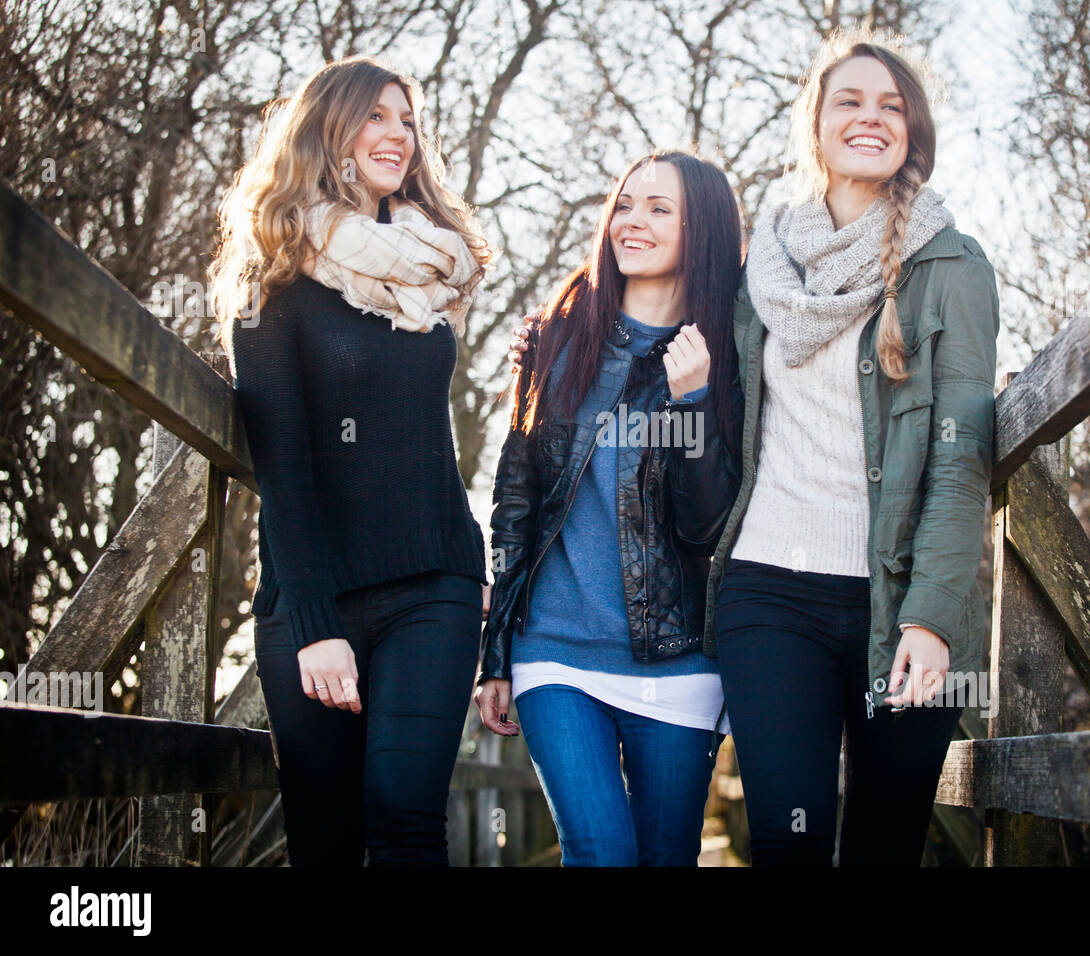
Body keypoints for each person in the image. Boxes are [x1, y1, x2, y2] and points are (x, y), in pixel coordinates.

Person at [509, 26, 997, 867]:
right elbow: (655, 301)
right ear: (816, 124)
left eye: (892, 107)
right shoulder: (761, 267)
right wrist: (551, 342)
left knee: (885, 842)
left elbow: (960, 458)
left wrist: (934, 614)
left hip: (897, 592)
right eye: (848, 101)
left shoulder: (950, 265)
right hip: (766, 593)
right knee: (786, 839)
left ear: (914, 131)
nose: (869, 118)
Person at [211, 55, 494, 866]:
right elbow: (284, 470)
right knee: (325, 839)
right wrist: (314, 626)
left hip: (433, 588)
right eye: (376, 116)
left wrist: (468, 564)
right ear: (328, 129)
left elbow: (427, 435)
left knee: (406, 819)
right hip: (316, 600)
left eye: (407, 120)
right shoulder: (276, 279)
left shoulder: (425, 279)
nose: (398, 136)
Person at [475, 150, 745, 866]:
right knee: (599, 851)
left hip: (680, 662)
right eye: (626, 204)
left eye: (661, 209)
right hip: (556, 656)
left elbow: (706, 527)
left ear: (704, 232)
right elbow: (516, 503)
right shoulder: (556, 342)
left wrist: (692, 403)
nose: (634, 221)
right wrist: (495, 653)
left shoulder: (727, 358)